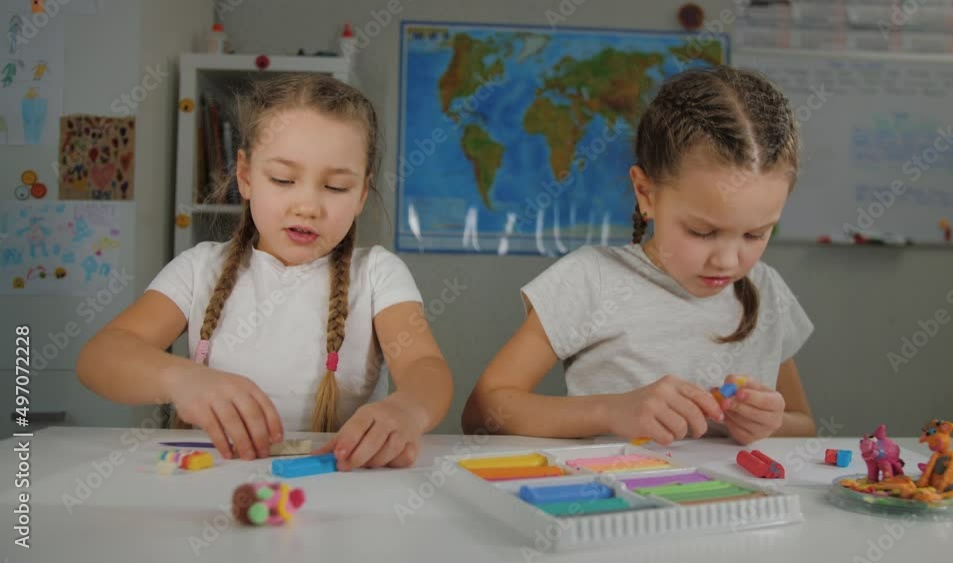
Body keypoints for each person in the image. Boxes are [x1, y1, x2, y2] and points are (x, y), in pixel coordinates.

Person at [78, 74, 453, 469]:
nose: (308, 205)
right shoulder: (197, 269)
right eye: (283, 180)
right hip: (213, 486)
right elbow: (100, 358)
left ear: (362, 194)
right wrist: (179, 378)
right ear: (245, 175)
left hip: (339, 491)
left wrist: (408, 410)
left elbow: (424, 368)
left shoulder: (378, 274)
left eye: (337, 187)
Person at [463, 66, 816, 445]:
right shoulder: (591, 279)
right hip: (614, 499)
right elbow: (483, 411)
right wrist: (611, 410)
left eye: (755, 234)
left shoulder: (767, 290)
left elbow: (804, 425)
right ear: (646, 194)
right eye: (702, 232)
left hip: (735, 503)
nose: (728, 261)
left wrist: (768, 422)